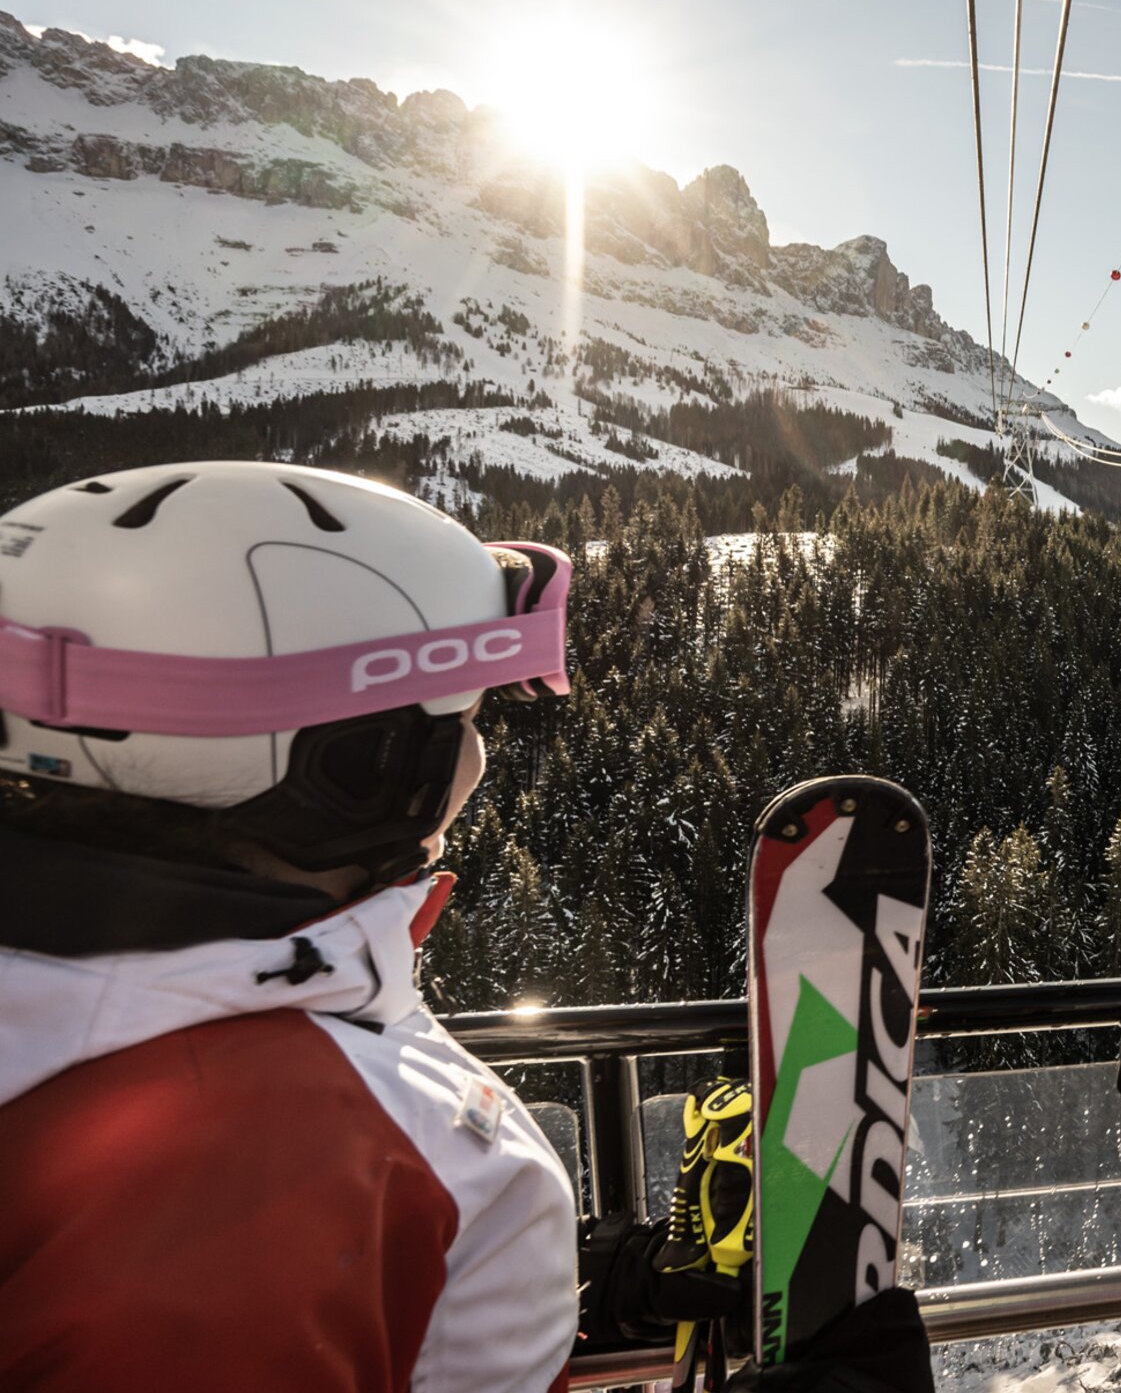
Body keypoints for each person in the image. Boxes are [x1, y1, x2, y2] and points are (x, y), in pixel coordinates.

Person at [0, 462, 929, 1392]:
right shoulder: (277, 1152)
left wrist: (560, 1284)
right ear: (363, 767)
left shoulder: (162, 1019)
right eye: (469, 716)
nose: (480, 757)